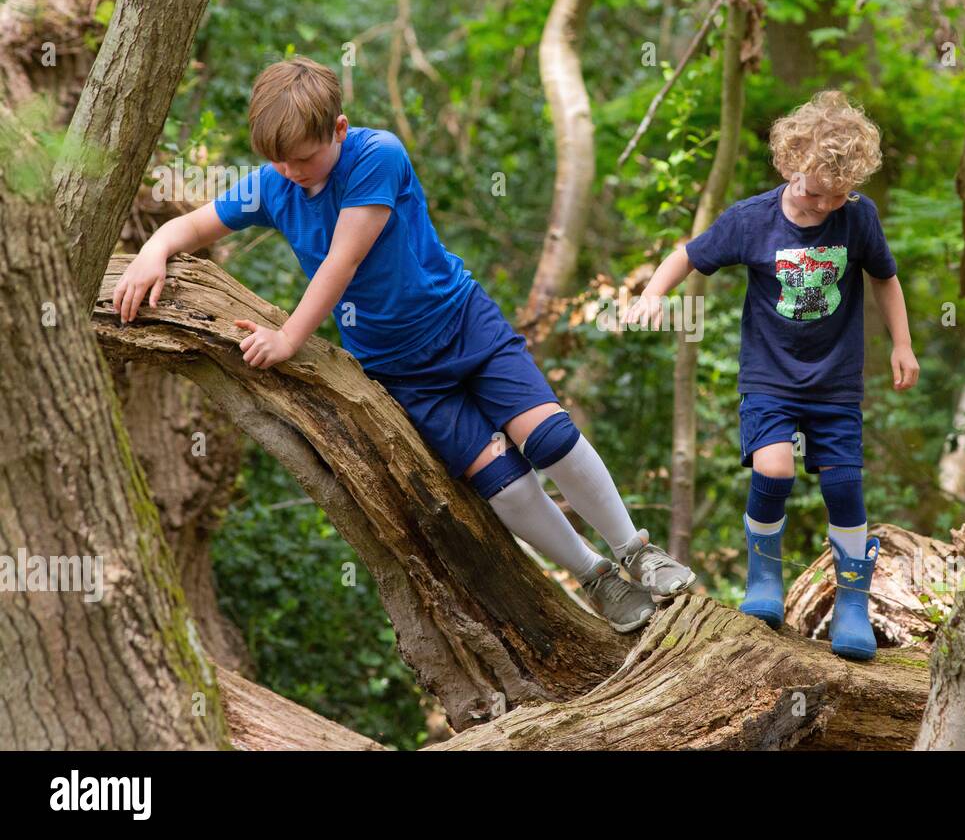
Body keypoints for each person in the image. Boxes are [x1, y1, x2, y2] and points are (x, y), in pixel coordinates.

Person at [112, 55, 695, 633]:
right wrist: (151, 252)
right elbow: (190, 225)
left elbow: (343, 259)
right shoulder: (276, 183)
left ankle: (634, 549)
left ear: (338, 130)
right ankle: (596, 577)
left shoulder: (375, 155)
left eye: (304, 159)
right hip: (401, 370)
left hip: (465, 325)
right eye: (279, 163)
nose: (291, 173)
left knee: (547, 436)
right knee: (504, 484)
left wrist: (289, 337)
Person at [626, 90, 918, 659]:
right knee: (776, 469)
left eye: (837, 197)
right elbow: (689, 254)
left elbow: (885, 277)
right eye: (813, 193)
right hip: (771, 378)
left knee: (842, 484)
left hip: (835, 379)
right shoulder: (751, 221)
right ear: (789, 164)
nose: (822, 207)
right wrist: (653, 293)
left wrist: (901, 345)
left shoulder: (858, 218)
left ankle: (852, 603)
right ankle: (764, 579)